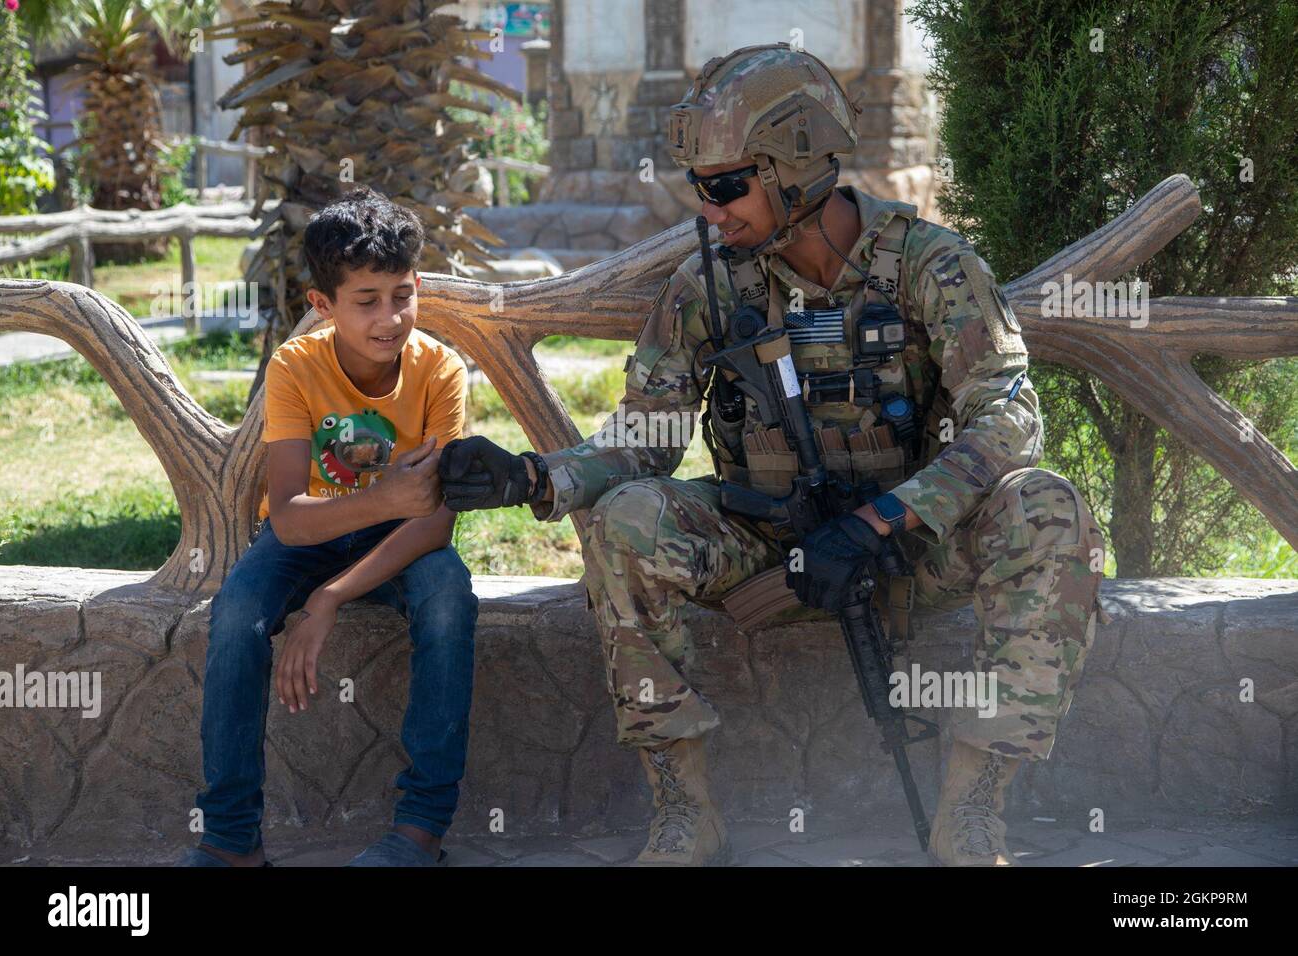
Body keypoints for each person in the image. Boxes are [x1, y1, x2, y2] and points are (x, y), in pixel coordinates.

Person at [438, 44, 1106, 867]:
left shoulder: (932, 266)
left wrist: (879, 523)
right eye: (700, 188)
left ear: (796, 166)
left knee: (1048, 506)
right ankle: (686, 813)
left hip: (909, 546)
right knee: (624, 523)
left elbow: (1007, 423)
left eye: (726, 186)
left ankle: (971, 812)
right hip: (766, 547)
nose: (710, 209)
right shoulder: (708, 286)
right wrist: (537, 477)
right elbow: (646, 437)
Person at [176, 186, 477, 867]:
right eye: (365, 301)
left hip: (401, 543)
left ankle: (420, 831)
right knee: (235, 615)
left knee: (448, 598)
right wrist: (391, 493)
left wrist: (331, 597)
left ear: (418, 285)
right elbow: (287, 517)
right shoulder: (294, 368)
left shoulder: (440, 371)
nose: (389, 318)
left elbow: (434, 525)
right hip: (307, 536)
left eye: (401, 295)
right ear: (321, 305)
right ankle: (230, 840)